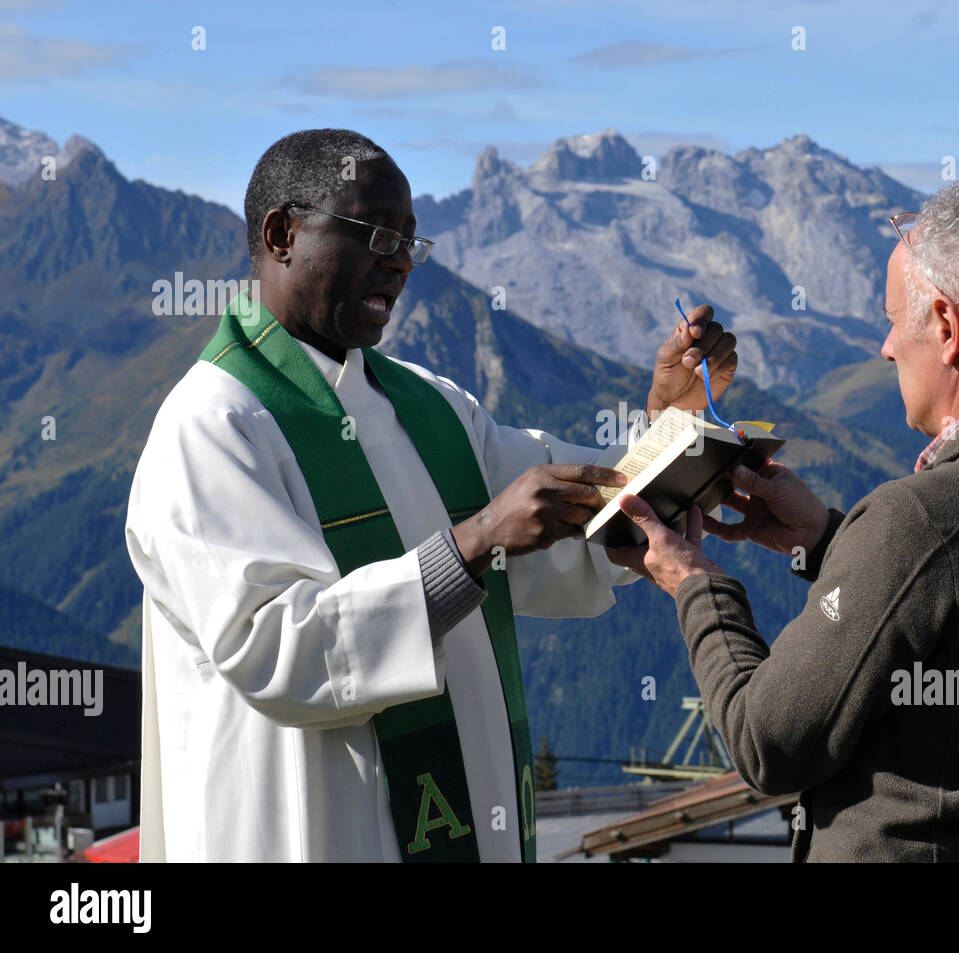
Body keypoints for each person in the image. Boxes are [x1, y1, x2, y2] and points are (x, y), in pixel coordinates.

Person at [124, 128, 738, 862]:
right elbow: (276, 649)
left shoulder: (432, 408)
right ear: (282, 234)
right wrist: (473, 545)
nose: (402, 262)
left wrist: (671, 425)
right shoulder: (213, 427)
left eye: (413, 241)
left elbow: (583, 507)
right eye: (378, 233)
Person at [610, 175, 959, 862]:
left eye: (892, 318)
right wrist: (832, 541)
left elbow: (767, 743)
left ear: (944, 326)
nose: (885, 346)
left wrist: (694, 581)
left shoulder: (921, 520)